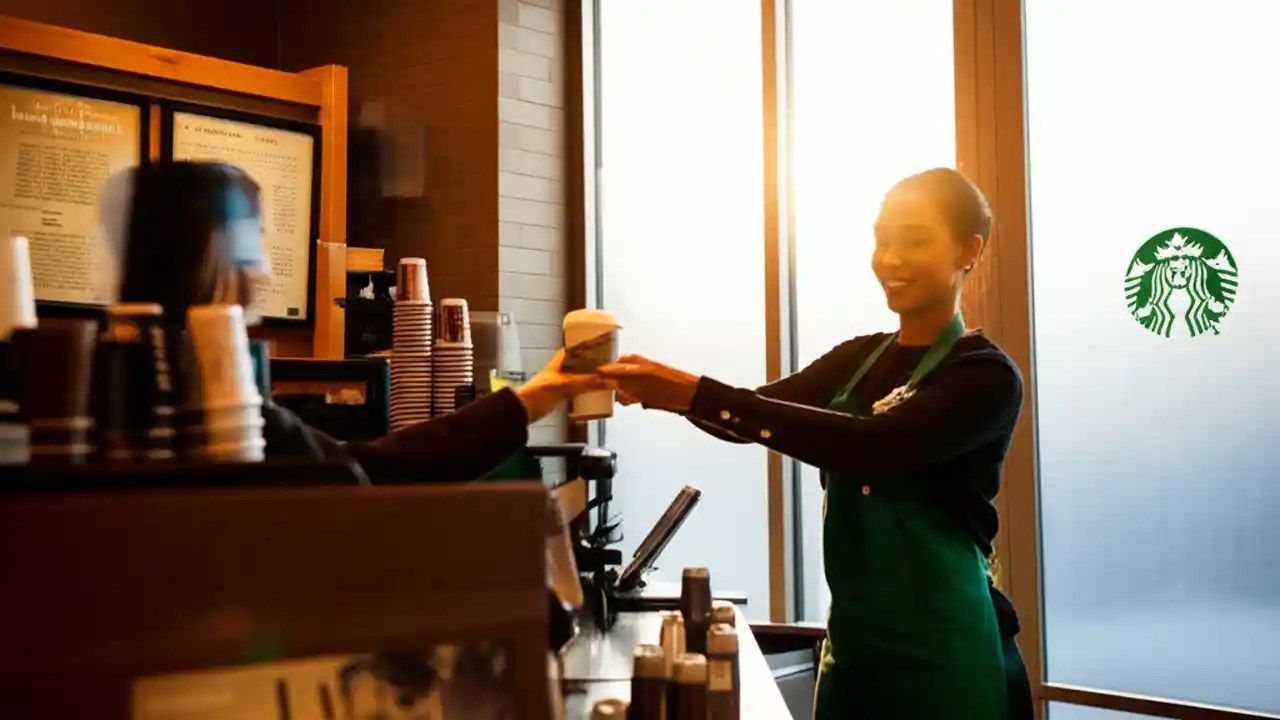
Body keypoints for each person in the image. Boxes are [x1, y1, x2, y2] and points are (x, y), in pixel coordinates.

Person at [596, 168, 1030, 719]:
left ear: (970, 250)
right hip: (854, 648)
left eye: (914, 240)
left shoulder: (985, 377)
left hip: (945, 653)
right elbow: (749, 416)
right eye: (882, 240)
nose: (891, 259)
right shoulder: (858, 357)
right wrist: (668, 392)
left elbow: (871, 447)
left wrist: (695, 392)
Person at [114, 161, 601, 482]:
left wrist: (538, 394)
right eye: (254, 239)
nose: (263, 268)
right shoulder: (214, 403)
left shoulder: (113, 388)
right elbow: (371, 471)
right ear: (210, 252)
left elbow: (360, 465)